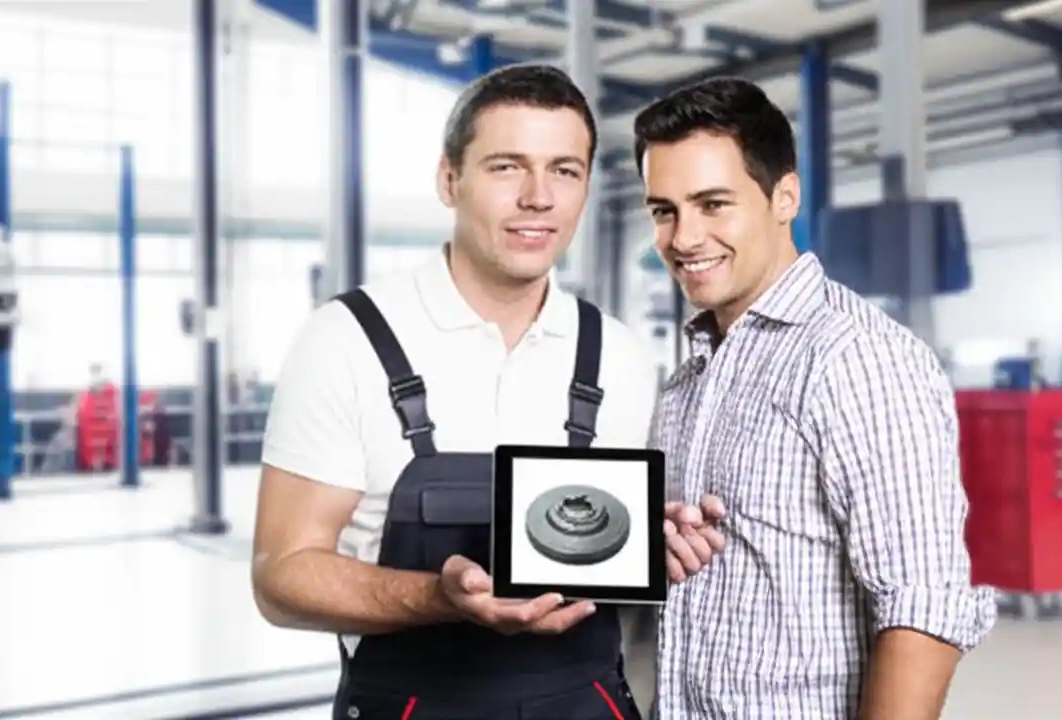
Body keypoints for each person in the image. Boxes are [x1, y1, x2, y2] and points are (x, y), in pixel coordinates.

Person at [251, 64, 724, 719]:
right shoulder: (346, 340)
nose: (539, 197)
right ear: (450, 179)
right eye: (507, 167)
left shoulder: (615, 353)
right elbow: (281, 576)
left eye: (565, 170)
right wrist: (436, 599)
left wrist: (659, 543)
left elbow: (615, 563)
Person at [632, 76, 998, 718]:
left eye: (713, 204)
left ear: (785, 197)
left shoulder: (856, 357)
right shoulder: (692, 373)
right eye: (664, 210)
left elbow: (923, 609)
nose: (683, 237)